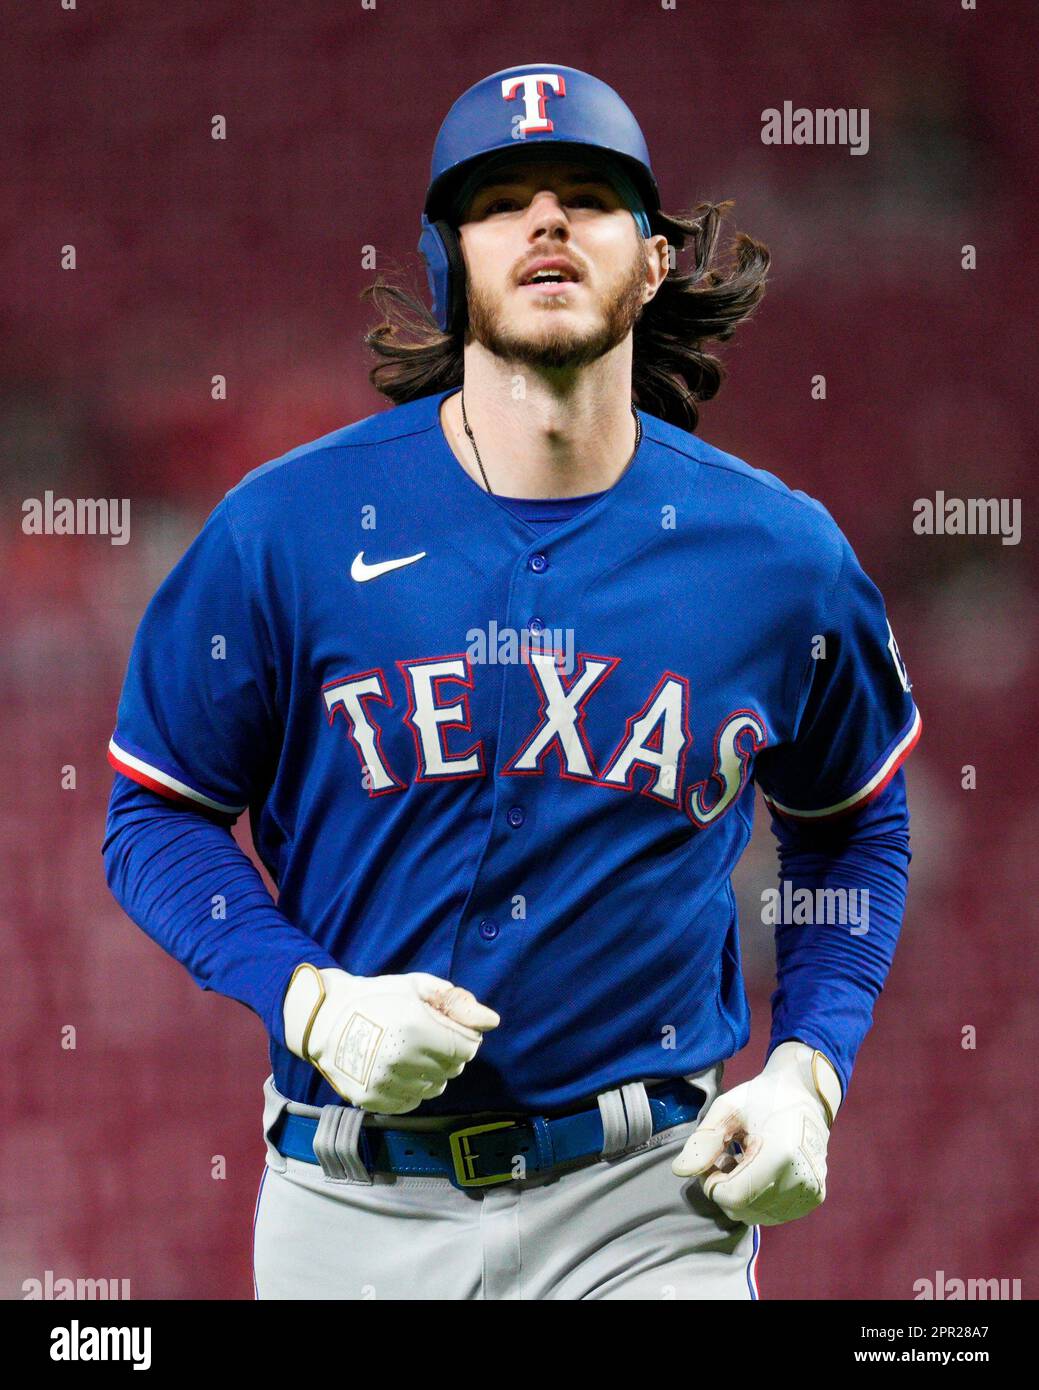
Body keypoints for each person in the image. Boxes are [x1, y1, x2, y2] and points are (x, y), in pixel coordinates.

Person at [103, 63, 921, 1300]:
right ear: (451, 261)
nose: (546, 220)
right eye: (501, 199)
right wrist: (307, 999)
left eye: (588, 195)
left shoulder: (780, 556)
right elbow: (154, 813)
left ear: (651, 263)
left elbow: (854, 826)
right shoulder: (287, 528)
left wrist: (811, 1064)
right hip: (348, 1208)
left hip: (649, 1208)